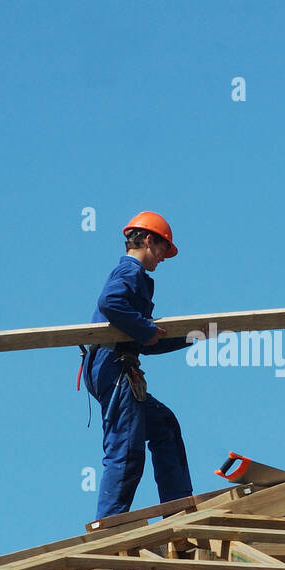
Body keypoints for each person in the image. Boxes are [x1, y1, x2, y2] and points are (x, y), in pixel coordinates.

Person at [81, 211, 193, 519]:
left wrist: (190, 336)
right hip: (111, 364)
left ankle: (178, 507)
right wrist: (146, 330)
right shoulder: (130, 271)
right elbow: (110, 303)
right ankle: (110, 526)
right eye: (162, 249)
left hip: (114, 362)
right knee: (127, 448)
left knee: (164, 426)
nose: (163, 258)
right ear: (146, 240)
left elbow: (144, 339)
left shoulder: (137, 278)